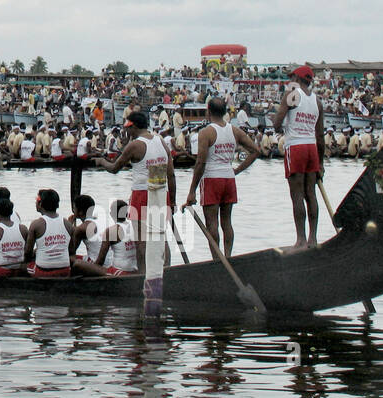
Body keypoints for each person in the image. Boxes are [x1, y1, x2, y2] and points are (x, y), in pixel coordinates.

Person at [92, 111, 175, 272]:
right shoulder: (160, 142)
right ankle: (167, 271)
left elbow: (115, 168)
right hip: (160, 192)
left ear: (134, 127)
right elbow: (170, 175)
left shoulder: (135, 145)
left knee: (141, 241)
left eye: (128, 128)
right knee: (160, 238)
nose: (126, 132)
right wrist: (173, 200)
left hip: (142, 194)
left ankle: (143, 275)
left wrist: (101, 161)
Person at [186, 97, 261, 257]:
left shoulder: (206, 132)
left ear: (208, 111)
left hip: (212, 179)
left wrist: (192, 191)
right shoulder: (234, 130)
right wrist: (237, 171)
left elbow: (200, 163)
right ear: (225, 112)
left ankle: (217, 260)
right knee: (227, 222)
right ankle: (227, 256)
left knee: (212, 223)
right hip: (228, 178)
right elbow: (256, 151)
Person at [272, 65, 324, 248]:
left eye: (292, 77)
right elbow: (320, 137)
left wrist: (278, 125)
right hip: (311, 147)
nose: (289, 81)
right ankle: (313, 238)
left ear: (298, 78)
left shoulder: (291, 94)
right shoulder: (317, 101)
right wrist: (322, 164)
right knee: (311, 194)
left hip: (295, 147)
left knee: (297, 196)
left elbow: (277, 124)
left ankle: (301, 239)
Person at [24, 188, 71, 277]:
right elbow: (71, 251)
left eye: (37, 200)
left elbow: (27, 253)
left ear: (40, 204)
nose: (35, 203)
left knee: (21, 267)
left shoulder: (36, 224)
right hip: (65, 270)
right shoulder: (68, 224)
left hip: (43, 271)